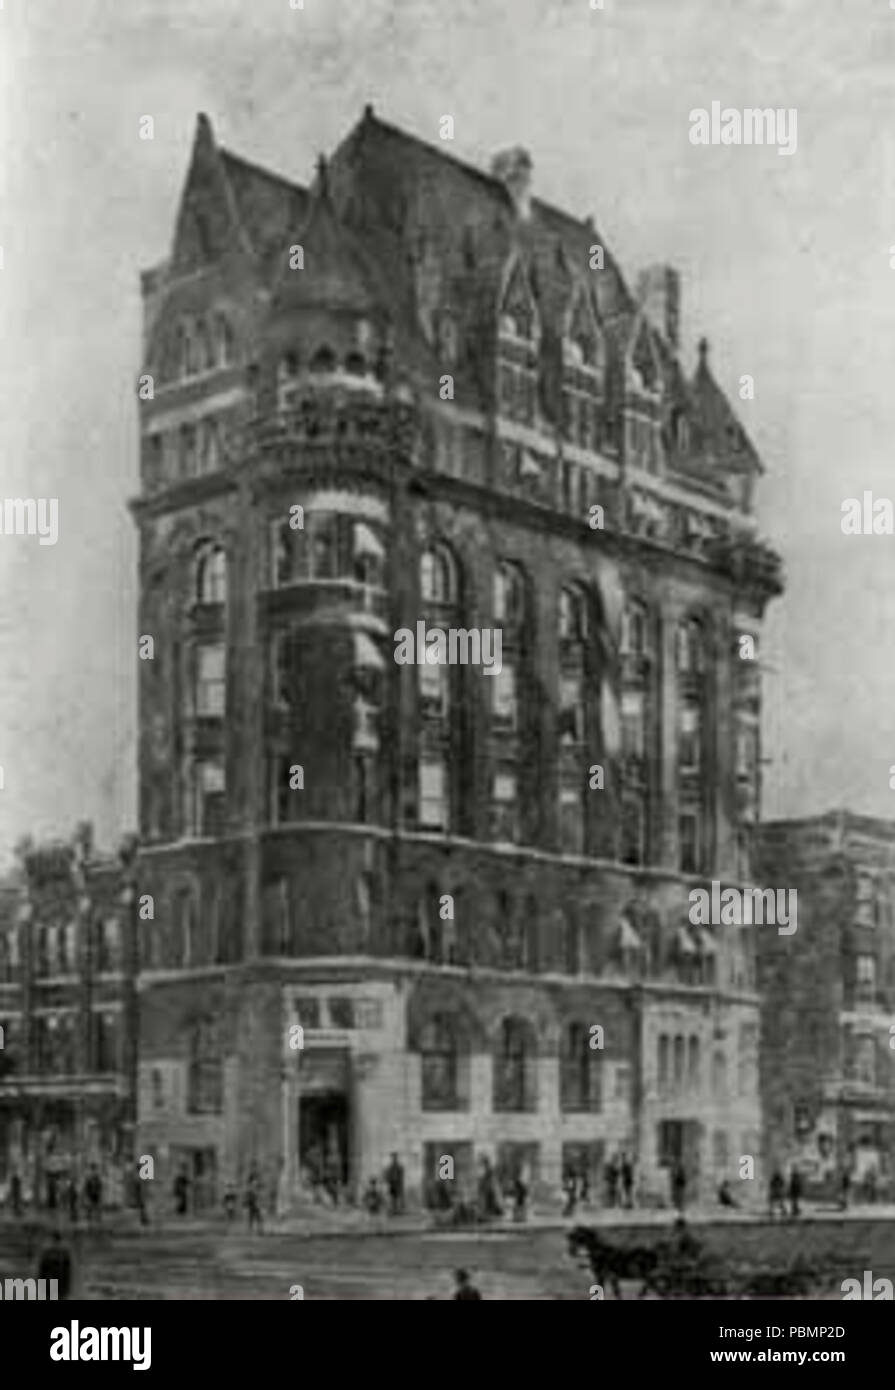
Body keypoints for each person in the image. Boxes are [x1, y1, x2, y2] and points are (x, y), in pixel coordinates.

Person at [37, 1230, 72, 1300]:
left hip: (56, 1285)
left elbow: (42, 1271)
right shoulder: (62, 1253)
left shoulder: (51, 1253)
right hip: (55, 1285)